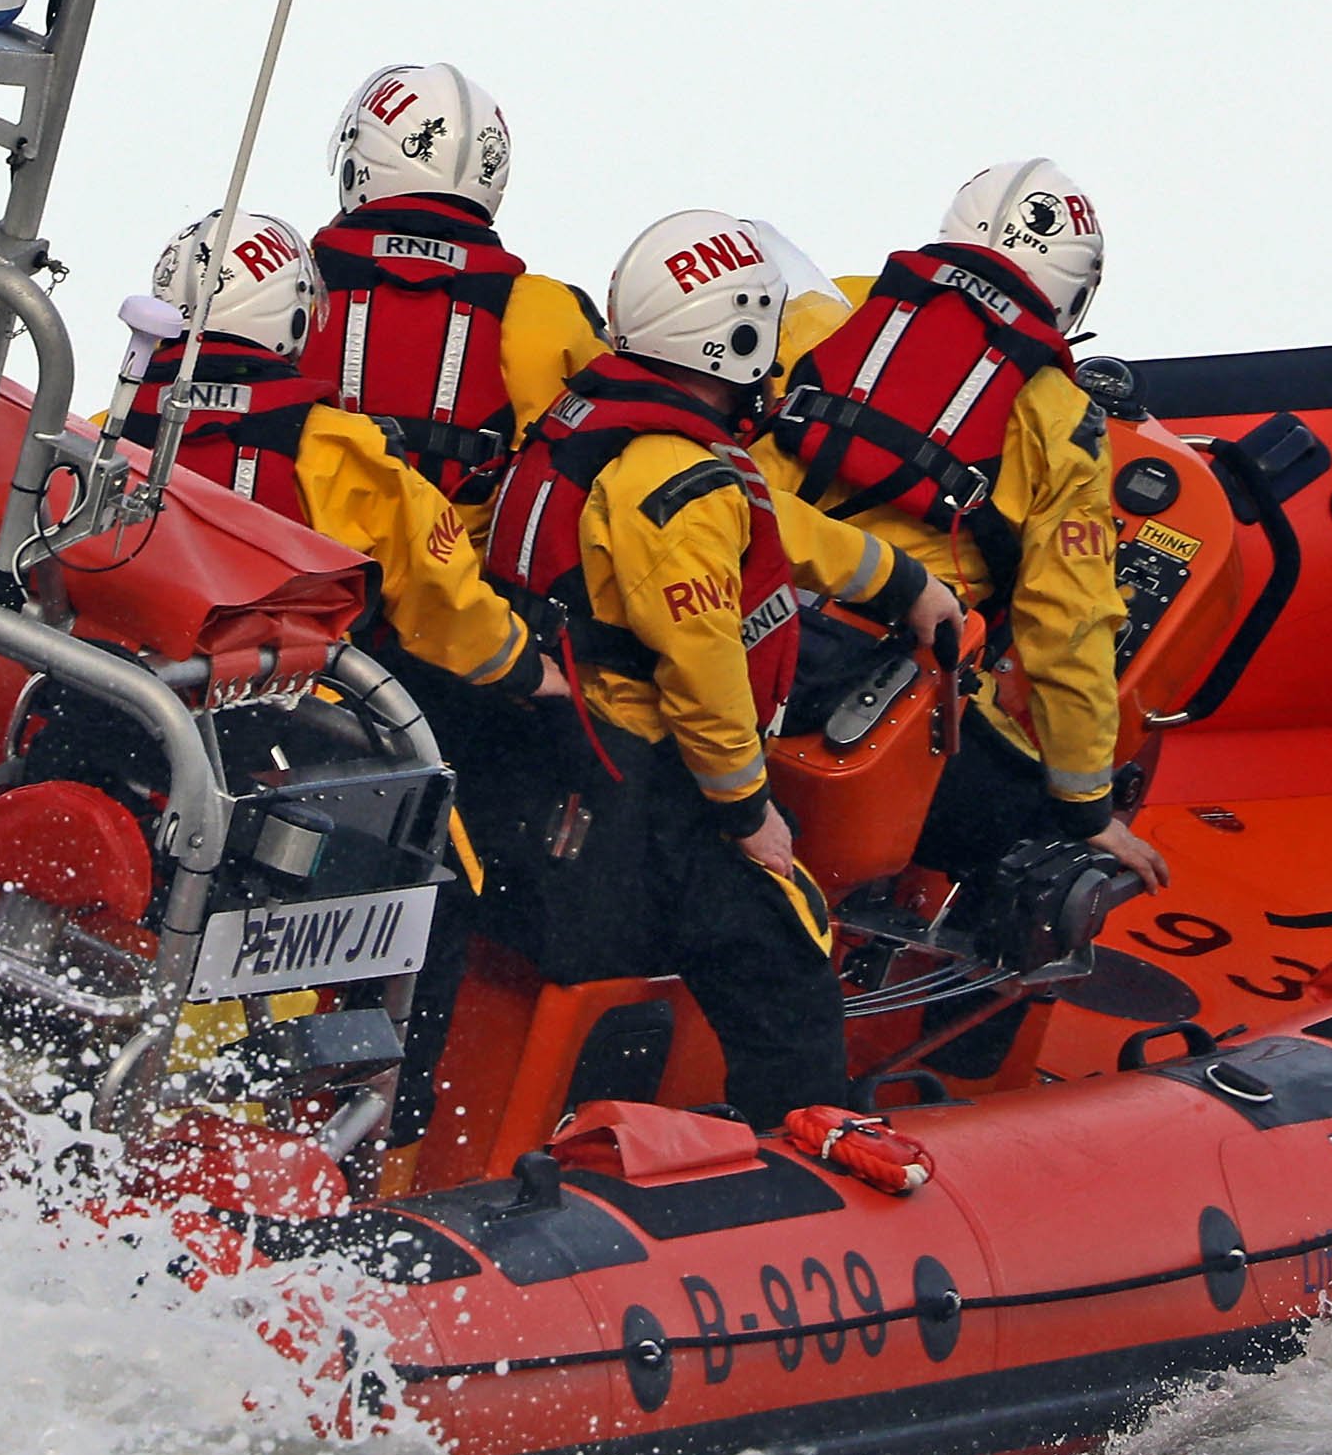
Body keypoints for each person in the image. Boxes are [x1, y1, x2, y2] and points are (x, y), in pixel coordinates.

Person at [482, 210, 942, 1192]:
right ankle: (809, 1145)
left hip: (548, 758)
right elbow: (702, 671)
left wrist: (903, 586)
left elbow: (782, 527)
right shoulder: (680, 484)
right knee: (779, 935)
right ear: (731, 338)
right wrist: (747, 812)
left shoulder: (612, 435)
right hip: (639, 787)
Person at [130, 208, 572, 1143]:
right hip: (281, 752)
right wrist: (532, 674)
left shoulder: (107, 430)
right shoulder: (342, 449)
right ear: (296, 320)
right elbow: (448, 602)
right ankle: (386, 1131)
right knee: (442, 879)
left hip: (120, 723)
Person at [762, 159, 1175, 917]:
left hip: (730, 620)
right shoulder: (1061, 417)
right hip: (850, 684)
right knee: (1047, 850)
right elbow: (1070, 622)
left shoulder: (835, 312)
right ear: (1071, 297)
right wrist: (1084, 803)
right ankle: (934, 1021)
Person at [304, 64, 611, 516]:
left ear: (360, 162)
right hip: (472, 577)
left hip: (298, 573)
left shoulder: (289, 286)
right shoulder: (551, 311)